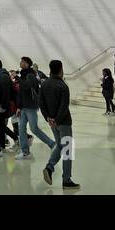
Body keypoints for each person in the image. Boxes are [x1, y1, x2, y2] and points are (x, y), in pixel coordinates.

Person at [40, 59, 78, 189]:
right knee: (67, 149)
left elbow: (42, 104)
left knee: (60, 145)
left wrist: (48, 118)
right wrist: (57, 119)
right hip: (64, 122)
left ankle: (49, 168)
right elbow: (64, 106)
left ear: (50, 70)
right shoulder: (63, 86)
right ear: (61, 69)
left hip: (52, 122)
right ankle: (66, 180)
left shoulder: (44, 84)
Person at [15, 57, 53, 157]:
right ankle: (25, 152)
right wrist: (18, 107)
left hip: (30, 106)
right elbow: (20, 92)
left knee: (34, 129)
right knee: (21, 129)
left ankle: (52, 144)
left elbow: (26, 86)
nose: (21, 63)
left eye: (23, 62)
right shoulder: (22, 74)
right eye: (21, 61)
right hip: (23, 107)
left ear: (27, 64)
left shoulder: (30, 75)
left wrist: (17, 78)